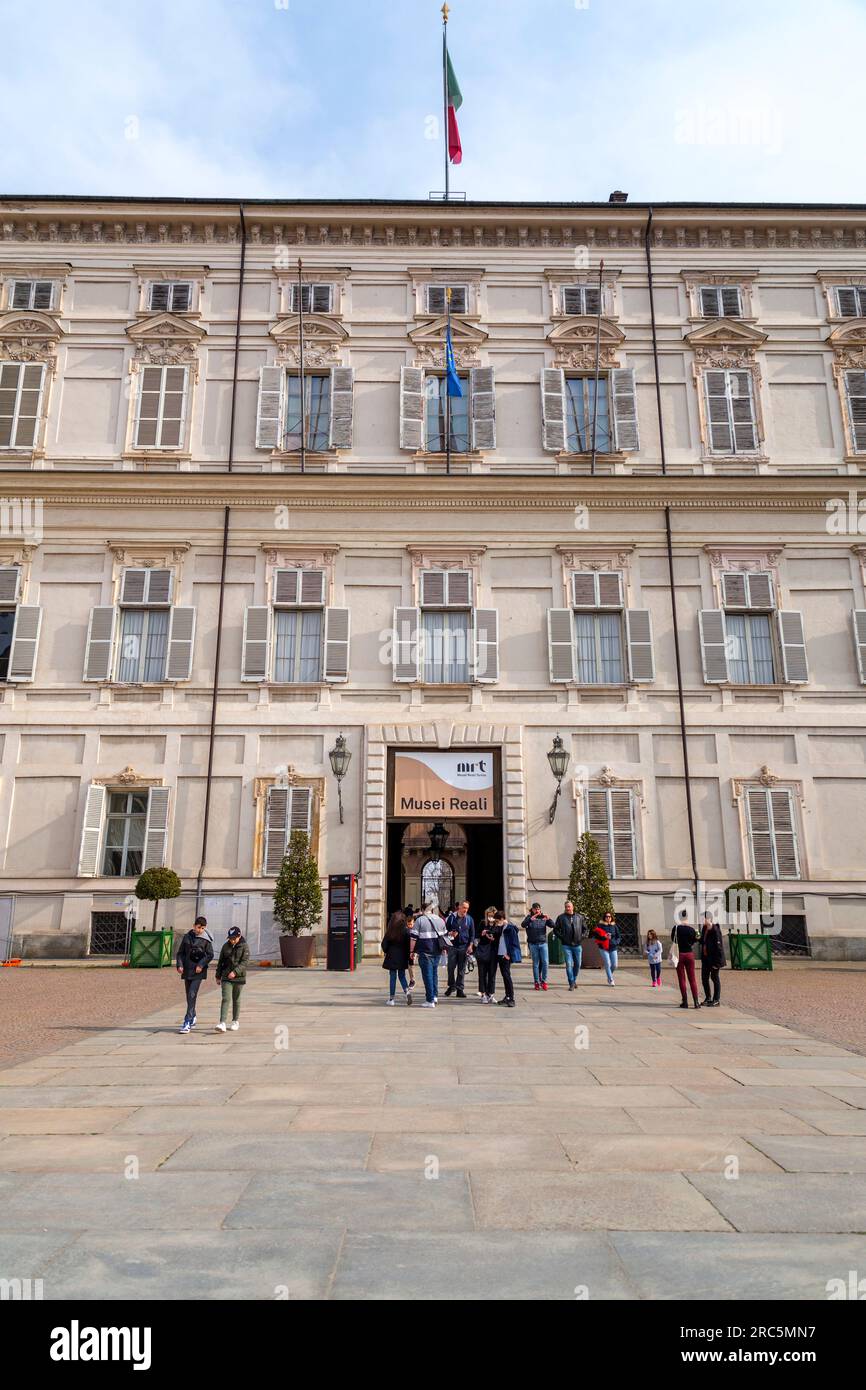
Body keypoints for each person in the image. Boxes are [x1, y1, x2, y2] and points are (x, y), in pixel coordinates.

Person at [176, 916, 214, 1034]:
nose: (200, 930)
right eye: (198, 927)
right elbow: (180, 953)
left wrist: (201, 965)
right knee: (189, 995)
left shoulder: (206, 940)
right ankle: (193, 1016)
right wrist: (179, 965)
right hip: (187, 970)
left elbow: (210, 955)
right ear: (194, 926)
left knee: (192, 994)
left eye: (202, 928)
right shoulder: (187, 937)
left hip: (198, 972)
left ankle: (187, 1022)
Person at [409, 900, 449, 1008]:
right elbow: (445, 936)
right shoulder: (440, 920)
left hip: (425, 951)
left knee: (427, 976)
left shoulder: (420, 920)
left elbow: (413, 938)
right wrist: (444, 950)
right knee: (434, 974)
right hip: (437, 951)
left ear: (422, 910)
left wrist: (411, 951)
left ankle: (430, 1000)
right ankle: (435, 996)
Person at [214, 925, 250, 1031]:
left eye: (234, 938)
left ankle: (235, 1021)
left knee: (236, 999)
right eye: (230, 938)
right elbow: (220, 961)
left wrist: (235, 972)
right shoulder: (225, 946)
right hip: (226, 977)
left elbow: (245, 962)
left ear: (239, 936)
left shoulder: (244, 946)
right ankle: (222, 1022)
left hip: (239, 978)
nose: (232, 940)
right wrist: (218, 975)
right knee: (226, 998)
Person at [444, 899, 475, 999]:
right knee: (450, 968)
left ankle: (460, 989)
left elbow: (472, 934)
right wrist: (450, 933)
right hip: (452, 946)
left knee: (461, 969)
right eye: (464, 908)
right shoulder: (451, 918)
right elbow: (445, 930)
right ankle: (451, 986)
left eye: (467, 908)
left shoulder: (469, 919)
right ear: (459, 907)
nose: (465, 910)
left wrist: (470, 945)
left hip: (464, 947)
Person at [554, 900, 587, 991]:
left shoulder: (580, 917)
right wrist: (562, 937)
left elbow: (585, 929)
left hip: (577, 945)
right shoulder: (561, 918)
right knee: (569, 964)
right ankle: (571, 983)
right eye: (566, 907)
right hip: (566, 945)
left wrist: (581, 937)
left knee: (578, 964)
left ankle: (574, 979)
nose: (567, 908)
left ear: (573, 907)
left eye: (569, 906)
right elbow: (556, 930)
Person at [381, 910, 412, 1006]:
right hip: (402, 957)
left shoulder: (390, 931)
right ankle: (407, 992)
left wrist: (387, 951)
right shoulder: (406, 931)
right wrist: (408, 956)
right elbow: (408, 946)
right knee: (402, 976)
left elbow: (384, 944)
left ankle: (391, 999)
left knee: (393, 977)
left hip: (392, 957)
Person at [521, 902, 554, 991]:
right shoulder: (529, 917)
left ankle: (544, 981)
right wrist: (531, 919)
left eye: (538, 909)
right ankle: (536, 982)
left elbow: (553, 925)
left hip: (543, 943)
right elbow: (523, 925)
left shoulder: (543, 917)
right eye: (535, 909)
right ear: (532, 909)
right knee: (536, 963)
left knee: (545, 963)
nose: (537, 910)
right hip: (533, 944)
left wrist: (549, 919)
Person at [672, 909, 700, 1009]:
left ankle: (685, 1002)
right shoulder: (692, 930)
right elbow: (695, 940)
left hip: (679, 954)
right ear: (687, 917)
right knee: (692, 979)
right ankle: (696, 1002)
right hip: (689, 954)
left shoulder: (676, 928)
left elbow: (673, 940)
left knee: (682, 979)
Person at [699, 909, 726, 1007]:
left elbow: (719, 947)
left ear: (709, 918)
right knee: (704, 978)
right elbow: (703, 941)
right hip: (706, 958)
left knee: (715, 978)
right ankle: (708, 997)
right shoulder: (704, 928)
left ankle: (716, 999)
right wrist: (698, 938)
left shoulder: (715, 929)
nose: (702, 920)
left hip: (714, 959)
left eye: (703, 918)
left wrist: (717, 963)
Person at [494, 910, 521, 1007]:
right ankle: (507, 996)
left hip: (506, 956)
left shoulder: (510, 928)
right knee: (504, 976)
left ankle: (511, 998)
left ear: (502, 919)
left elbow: (514, 943)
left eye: (497, 921)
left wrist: (509, 955)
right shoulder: (502, 927)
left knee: (507, 976)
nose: (496, 923)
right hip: (500, 955)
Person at [475, 909, 500, 1004]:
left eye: (492, 916)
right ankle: (483, 994)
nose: (491, 918)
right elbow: (476, 935)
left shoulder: (497, 924)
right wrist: (482, 934)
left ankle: (491, 994)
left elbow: (500, 936)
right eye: (489, 915)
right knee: (482, 974)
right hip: (483, 950)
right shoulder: (482, 923)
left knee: (492, 974)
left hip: (493, 951)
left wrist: (493, 937)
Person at [592, 911, 620, 986]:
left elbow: (618, 936)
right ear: (604, 918)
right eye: (606, 916)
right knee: (607, 963)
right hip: (603, 947)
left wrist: (616, 942)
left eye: (609, 916)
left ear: (611, 918)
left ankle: (609, 976)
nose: (608, 918)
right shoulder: (600, 926)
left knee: (614, 965)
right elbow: (595, 935)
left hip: (613, 947)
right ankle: (611, 979)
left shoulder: (614, 926)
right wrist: (603, 937)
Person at [404, 908, 417, 991]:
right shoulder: (405, 930)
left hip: (413, 951)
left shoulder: (415, 931)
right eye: (408, 924)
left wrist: (415, 952)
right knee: (409, 966)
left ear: (414, 923)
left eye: (411, 924)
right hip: (406, 950)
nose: (409, 926)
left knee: (411, 966)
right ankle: (411, 980)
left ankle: (412, 980)